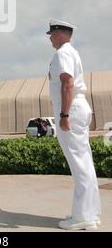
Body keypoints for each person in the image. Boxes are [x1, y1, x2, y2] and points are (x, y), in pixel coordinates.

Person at [47, 20, 101, 230]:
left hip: (71, 110)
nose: (50, 38)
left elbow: (67, 83)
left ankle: (82, 217)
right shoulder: (72, 52)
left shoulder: (62, 53)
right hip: (77, 108)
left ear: (59, 33)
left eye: (51, 34)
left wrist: (64, 114)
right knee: (84, 162)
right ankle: (90, 213)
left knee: (79, 165)